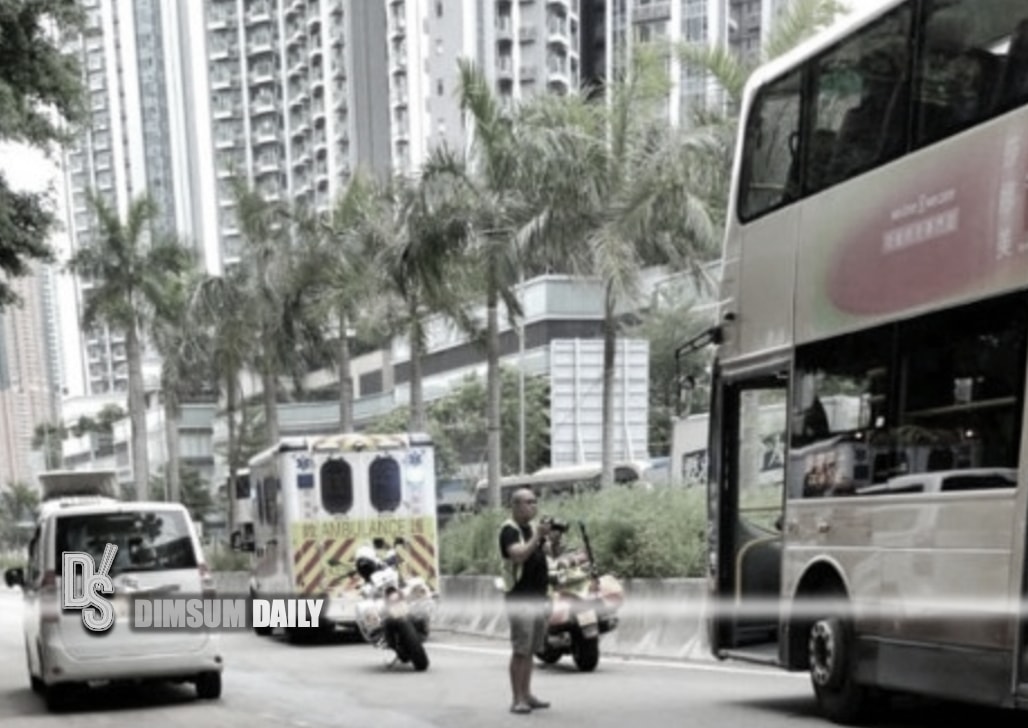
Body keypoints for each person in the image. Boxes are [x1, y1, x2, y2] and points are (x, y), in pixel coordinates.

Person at [498, 488, 552, 715]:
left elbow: (550, 553)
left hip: (539, 596)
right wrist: (537, 536)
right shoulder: (509, 530)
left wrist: (553, 539)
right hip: (520, 597)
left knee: (530, 649)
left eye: (535, 501)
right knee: (520, 649)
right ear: (516, 505)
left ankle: (527, 694)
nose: (533, 506)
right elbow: (518, 555)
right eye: (528, 502)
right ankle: (517, 698)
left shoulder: (531, 528)